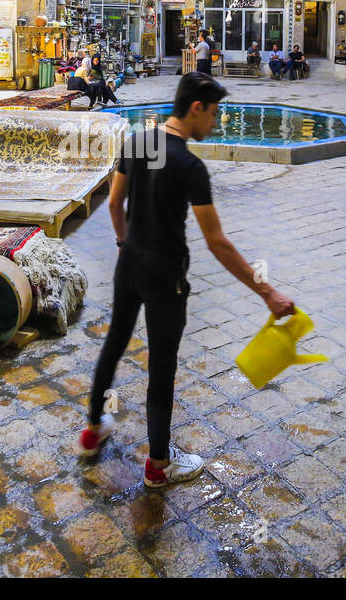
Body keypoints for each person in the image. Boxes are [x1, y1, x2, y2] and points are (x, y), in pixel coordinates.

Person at [79, 73, 295, 485]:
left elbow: (114, 202)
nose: (215, 122)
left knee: (115, 343)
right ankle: (158, 466)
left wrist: (126, 243)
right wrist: (266, 292)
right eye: (213, 114)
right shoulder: (190, 166)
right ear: (195, 108)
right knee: (161, 368)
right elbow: (217, 242)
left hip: (129, 267)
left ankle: (92, 431)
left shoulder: (139, 141)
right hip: (166, 278)